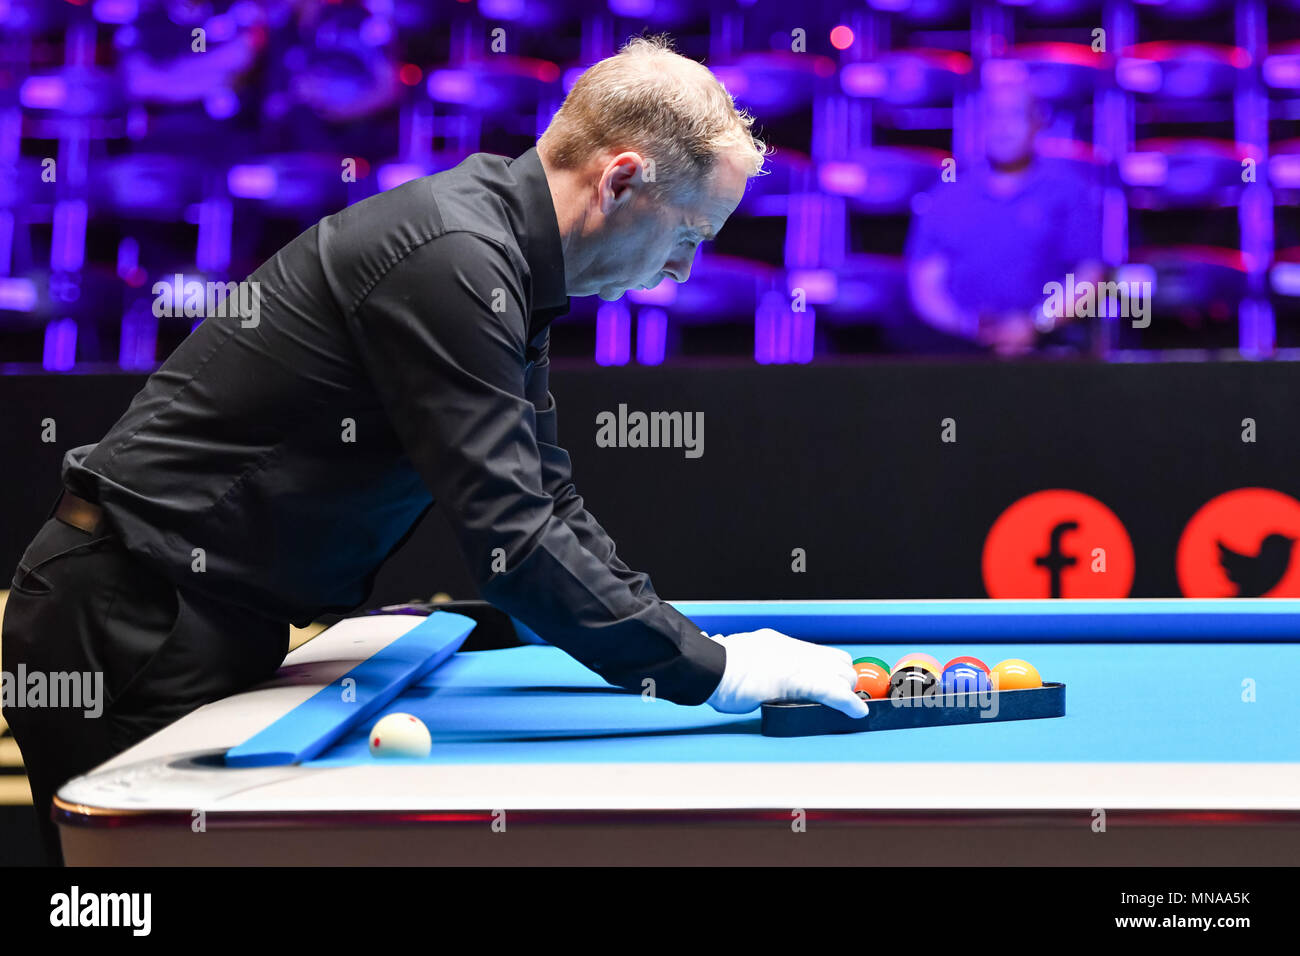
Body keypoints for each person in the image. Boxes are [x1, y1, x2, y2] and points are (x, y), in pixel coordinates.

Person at [2, 36, 867, 866]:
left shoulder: (500, 260)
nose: (680, 273)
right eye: (687, 236)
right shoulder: (456, 257)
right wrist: (714, 671)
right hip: (127, 618)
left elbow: (544, 500)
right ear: (621, 180)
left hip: (190, 610)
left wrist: (678, 640)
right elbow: (515, 544)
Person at [906, 68, 1105, 357]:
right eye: (994, 115)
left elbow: (1089, 273)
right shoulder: (946, 194)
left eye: (1014, 115)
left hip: (1053, 354)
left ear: (1038, 122)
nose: (1003, 127)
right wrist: (969, 326)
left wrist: (1037, 323)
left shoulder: (1068, 191)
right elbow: (925, 283)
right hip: (959, 356)